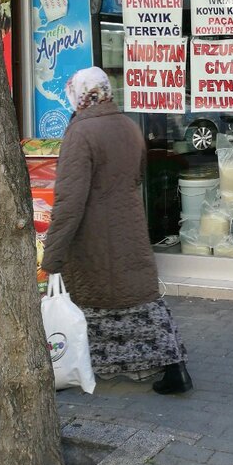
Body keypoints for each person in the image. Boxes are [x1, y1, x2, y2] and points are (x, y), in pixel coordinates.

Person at [41, 67, 192, 394]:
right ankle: (173, 366)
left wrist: (51, 256)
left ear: (79, 95)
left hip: (93, 237)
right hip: (130, 227)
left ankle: (77, 367)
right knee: (141, 300)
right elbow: (137, 176)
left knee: (93, 303)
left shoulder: (80, 133)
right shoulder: (127, 125)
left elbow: (69, 201)